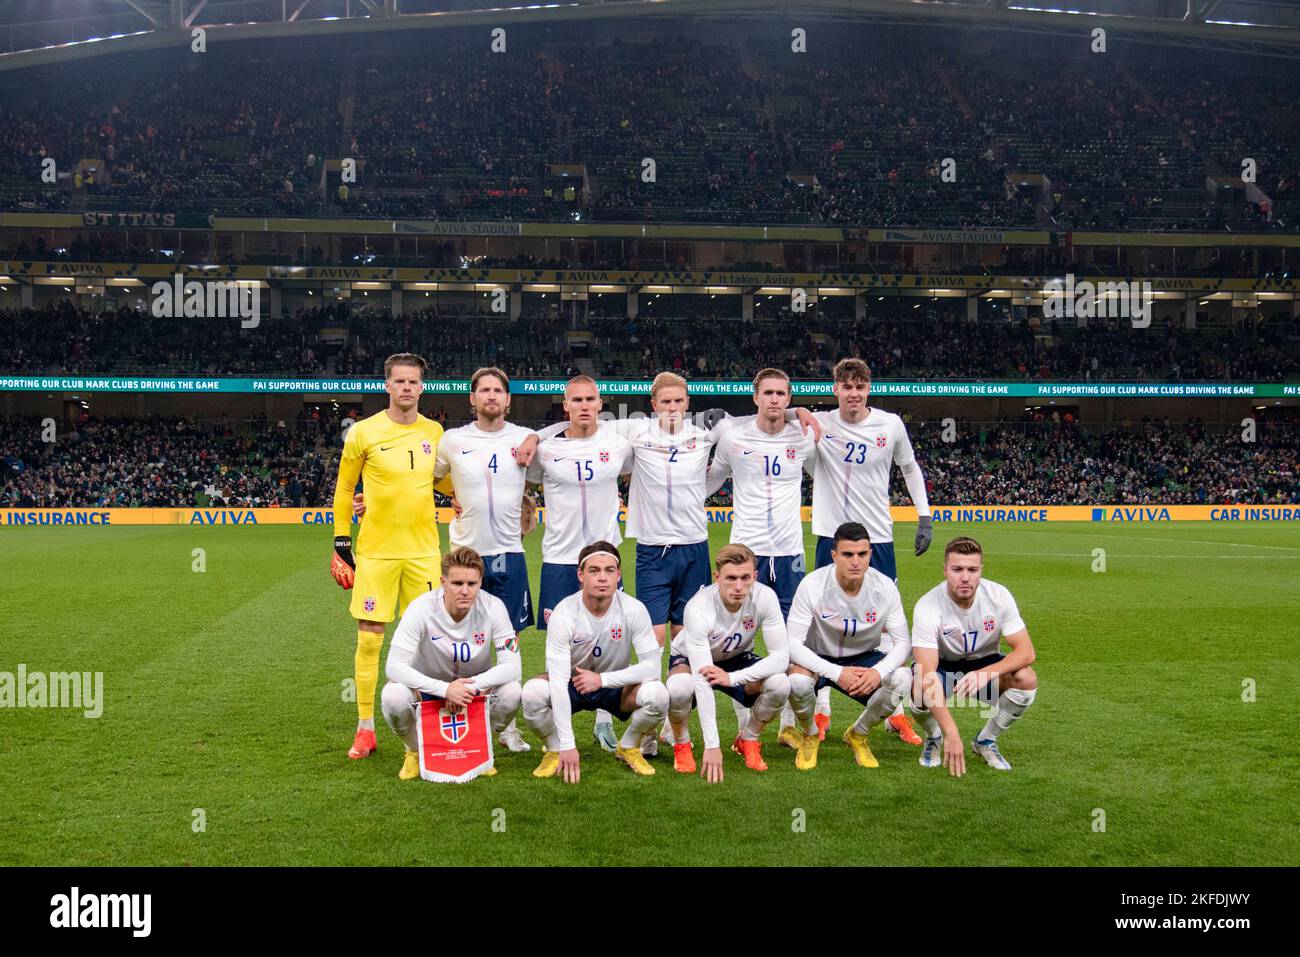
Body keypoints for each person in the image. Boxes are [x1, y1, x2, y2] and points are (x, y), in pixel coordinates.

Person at [780, 357, 931, 747]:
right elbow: (790, 412)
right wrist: (799, 410)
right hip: (831, 535)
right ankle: (822, 710)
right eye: (846, 386)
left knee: (882, 625)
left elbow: (910, 468)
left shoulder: (890, 424)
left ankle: (892, 713)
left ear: (868, 389)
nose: (853, 393)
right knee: (819, 625)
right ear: (835, 390)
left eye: (860, 386)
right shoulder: (821, 423)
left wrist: (924, 516)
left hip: (877, 538)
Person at [328, 352, 452, 760]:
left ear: (421, 386)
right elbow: (346, 489)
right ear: (387, 385)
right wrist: (341, 542)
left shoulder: (435, 431)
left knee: (429, 644)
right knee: (369, 640)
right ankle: (366, 728)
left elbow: (450, 484)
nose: (406, 388)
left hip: (423, 553)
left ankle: (427, 725)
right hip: (377, 553)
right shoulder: (363, 432)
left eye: (413, 382)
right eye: (399, 381)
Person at [521, 376, 633, 753]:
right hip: (559, 558)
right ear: (565, 406)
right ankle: (561, 721)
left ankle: (604, 716)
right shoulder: (546, 450)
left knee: (611, 638)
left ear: (601, 404)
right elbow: (521, 476)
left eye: (590, 399)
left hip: (604, 558)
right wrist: (538, 436)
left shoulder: (618, 444)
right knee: (561, 640)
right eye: (576, 400)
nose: (584, 406)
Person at [521, 542, 667, 782]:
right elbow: (557, 682)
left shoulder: (634, 609)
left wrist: (602, 680)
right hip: (572, 684)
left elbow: (652, 667)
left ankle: (628, 746)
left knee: (658, 695)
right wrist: (568, 745)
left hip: (614, 687)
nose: (603, 577)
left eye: (610, 570)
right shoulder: (564, 612)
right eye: (594, 570)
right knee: (532, 693)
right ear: (580, 574)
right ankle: (555, 749)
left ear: (618, 575)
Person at [380, 547, 523, 780]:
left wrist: (470, 687)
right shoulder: (421, 608)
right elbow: (394, 666)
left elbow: (512, 666)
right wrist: (445, 689)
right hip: (426, 692)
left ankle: (481, 747)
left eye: (472, 584)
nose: (465, 591)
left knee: (513, 691)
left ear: (480, 582)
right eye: (457, 583)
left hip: (473, 693)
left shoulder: (494, 607)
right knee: (392, 696)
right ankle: (414, 751)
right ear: (443, 582)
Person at [784, 522, 912, 771]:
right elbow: (792, 643)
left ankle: (858, 734)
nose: (855, 561)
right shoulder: (812, 585)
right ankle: (810, 734)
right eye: (847, 554)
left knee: (902, 678)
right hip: (818, 657)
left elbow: (903, 642)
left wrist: (879, 671)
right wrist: (836, 673)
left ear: (870, 555)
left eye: (862, 554)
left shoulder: (884, 587)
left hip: (864, 658)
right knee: (796, 682)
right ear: (834, 556)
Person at [909, 536, 1038, 773]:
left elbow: (1026, 651)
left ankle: (985, 740)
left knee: (1026, 679)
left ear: (981, 570)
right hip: (942, 669)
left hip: (986, 666)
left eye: (972, 569)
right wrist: (951, 733)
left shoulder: (998, 596)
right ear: (945, 570)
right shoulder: (927, 606)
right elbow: (928, 674)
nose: (965, 577)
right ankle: (934, 736)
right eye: (957, 569)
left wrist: (985, 673)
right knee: (917, 685)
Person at [665, 544, 790, 781]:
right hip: (693, 660)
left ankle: (748, 739)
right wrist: (712, 746)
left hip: (737, 658)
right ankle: (682, 743)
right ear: (717, 577)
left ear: (755, 576)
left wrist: (732, 678)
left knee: (780, 684)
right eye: (731, 578)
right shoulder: (699, 608)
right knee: (679, 689)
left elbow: (781, 658)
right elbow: (703, 681)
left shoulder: (765, 597)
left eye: (745, 578)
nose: (739, 586)